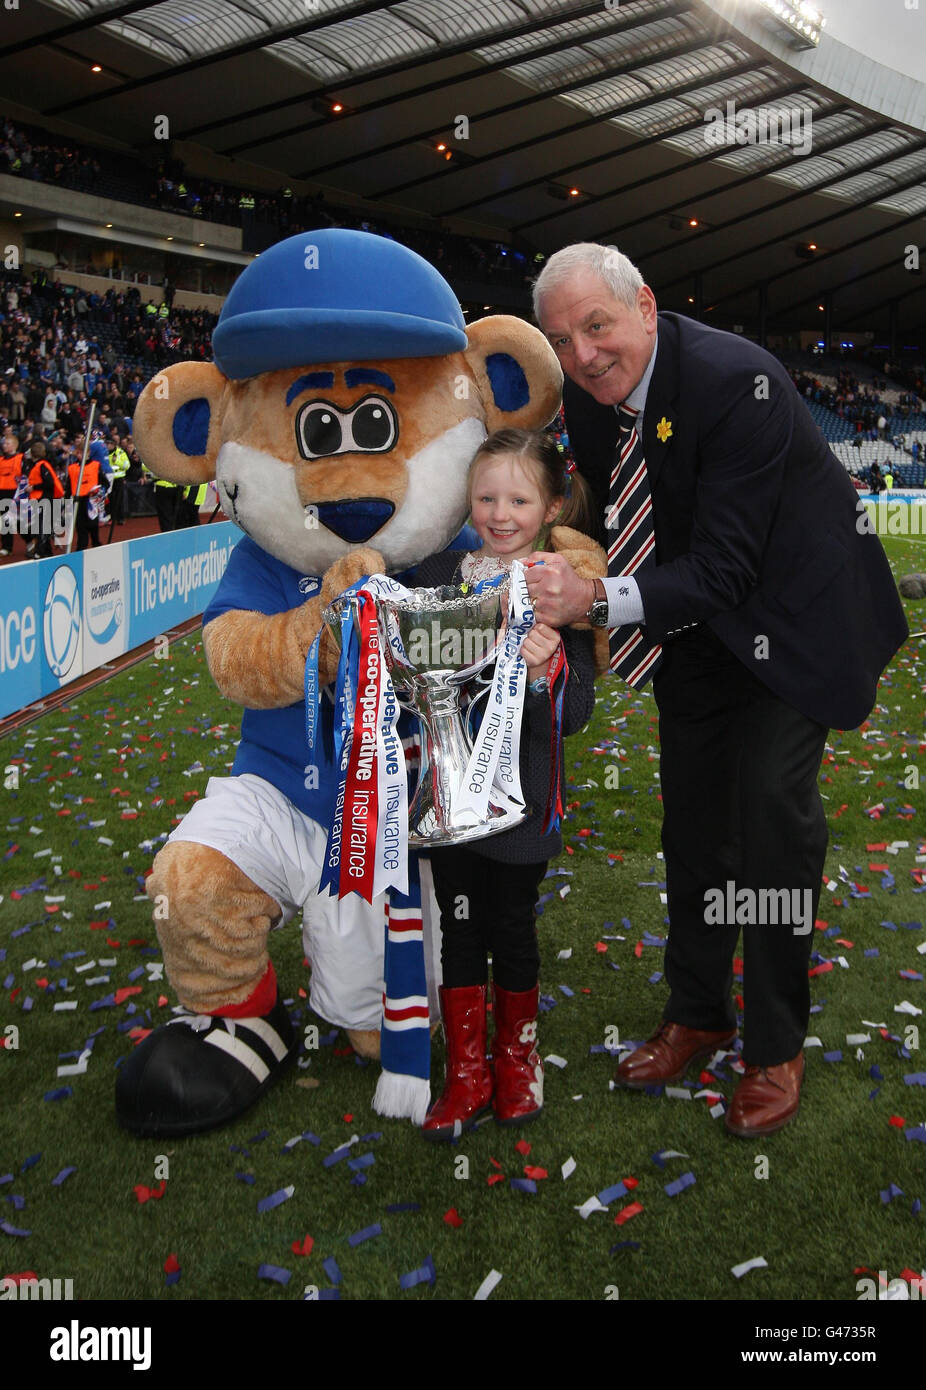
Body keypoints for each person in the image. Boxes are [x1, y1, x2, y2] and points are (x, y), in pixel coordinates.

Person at [528, 242, 907, 1138]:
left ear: (647, 308)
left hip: (791, 623)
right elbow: (607, 510)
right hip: (691, 626)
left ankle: (776, 1046)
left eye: (597, 325)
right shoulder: (587, 399)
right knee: (694, 827)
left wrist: (594, 599)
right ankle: (697, 1011)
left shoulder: (741, 381)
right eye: (562, 338)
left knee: (773, 819)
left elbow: (730, 568)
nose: (583, 354)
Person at [413, 429, 602, 1139]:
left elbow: (577, 711)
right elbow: (405, 683)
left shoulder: (562, 589)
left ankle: (518, 1062)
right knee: (461, 934)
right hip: (449, 803)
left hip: (521, 807)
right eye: (486, 497)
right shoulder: (434, 578)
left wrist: (549, 672)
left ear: (551, 504)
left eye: (518, 499)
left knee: (513, 932)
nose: (499, 513)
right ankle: (465, 1074)